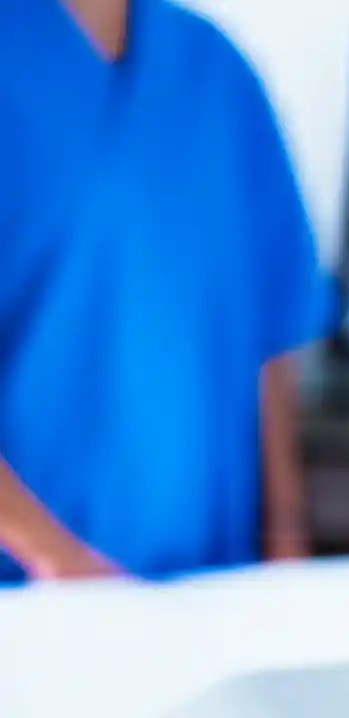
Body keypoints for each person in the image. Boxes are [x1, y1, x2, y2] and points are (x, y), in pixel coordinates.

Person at [0, 0, 330, 580]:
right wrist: (61, 563)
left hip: (209, 593)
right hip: (32, 607)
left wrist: (286, 548)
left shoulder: (214, 69)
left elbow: (269, 338)